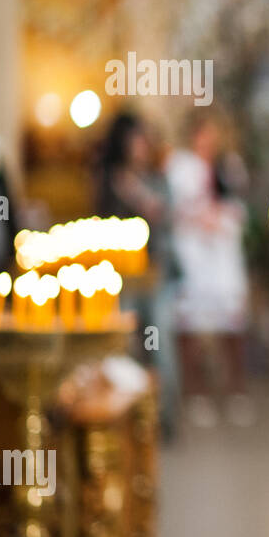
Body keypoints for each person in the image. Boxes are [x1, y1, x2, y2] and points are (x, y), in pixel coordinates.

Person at [94, 112, 181, 438]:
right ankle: (124, 415)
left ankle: (164, 416)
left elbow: (165, 216)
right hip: (119, 275)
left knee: (160, 344)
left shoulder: (157, 178)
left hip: (155, 272)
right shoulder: (108, 178)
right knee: (120, 343)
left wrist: (135, 192)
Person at [166, 115, 251, 428]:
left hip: (224, 257)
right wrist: (199, 217)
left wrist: (222, 216)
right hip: (194, 257)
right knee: (191, 326)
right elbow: (174, 208)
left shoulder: (229, 166)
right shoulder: (179, 167)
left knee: (232, 323)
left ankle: (236, 390)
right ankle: (195, 393)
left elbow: (240, 207)